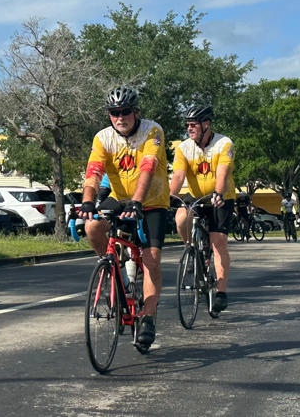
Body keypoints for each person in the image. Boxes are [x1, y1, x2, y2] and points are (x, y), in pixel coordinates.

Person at [78, 85, 169, 349]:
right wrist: (87, 201)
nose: (120, 117)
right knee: (92, 226)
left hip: (151, 201)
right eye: (114, 112)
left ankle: (148, 317)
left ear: (136, 111)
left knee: (151, 259)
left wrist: (138, 201)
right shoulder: (103, 137)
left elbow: (148, 168)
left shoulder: (152, 131)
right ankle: (112, 270)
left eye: (125, 111)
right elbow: (94, 171)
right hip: (119, 198)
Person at [169, 105, 234, 314]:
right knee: (181, 218)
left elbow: (222, 173)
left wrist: (218, 193)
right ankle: (192, 250)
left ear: (206, 124)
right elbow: (178, 175)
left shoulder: (223, 143)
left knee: (218, 242)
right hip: (196, 197)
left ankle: (221, 292)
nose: (189, 128)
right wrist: (169, 196)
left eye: (193, 124)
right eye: (187, 125)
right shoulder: (183, 148)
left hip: (220, 197)